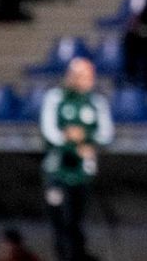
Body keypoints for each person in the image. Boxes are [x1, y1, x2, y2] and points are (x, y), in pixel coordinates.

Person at [40, 57, 113, 261]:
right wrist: (69, 139)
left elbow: (106, 134)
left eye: (89, 76)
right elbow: (49, 131)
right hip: (57, 171)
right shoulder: (56, 97)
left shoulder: (96, 102)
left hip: (82, 173)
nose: (86, 80)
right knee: (60, 222)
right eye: (81, 76)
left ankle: (76, 255)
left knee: (74, 222)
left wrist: (86, 140)